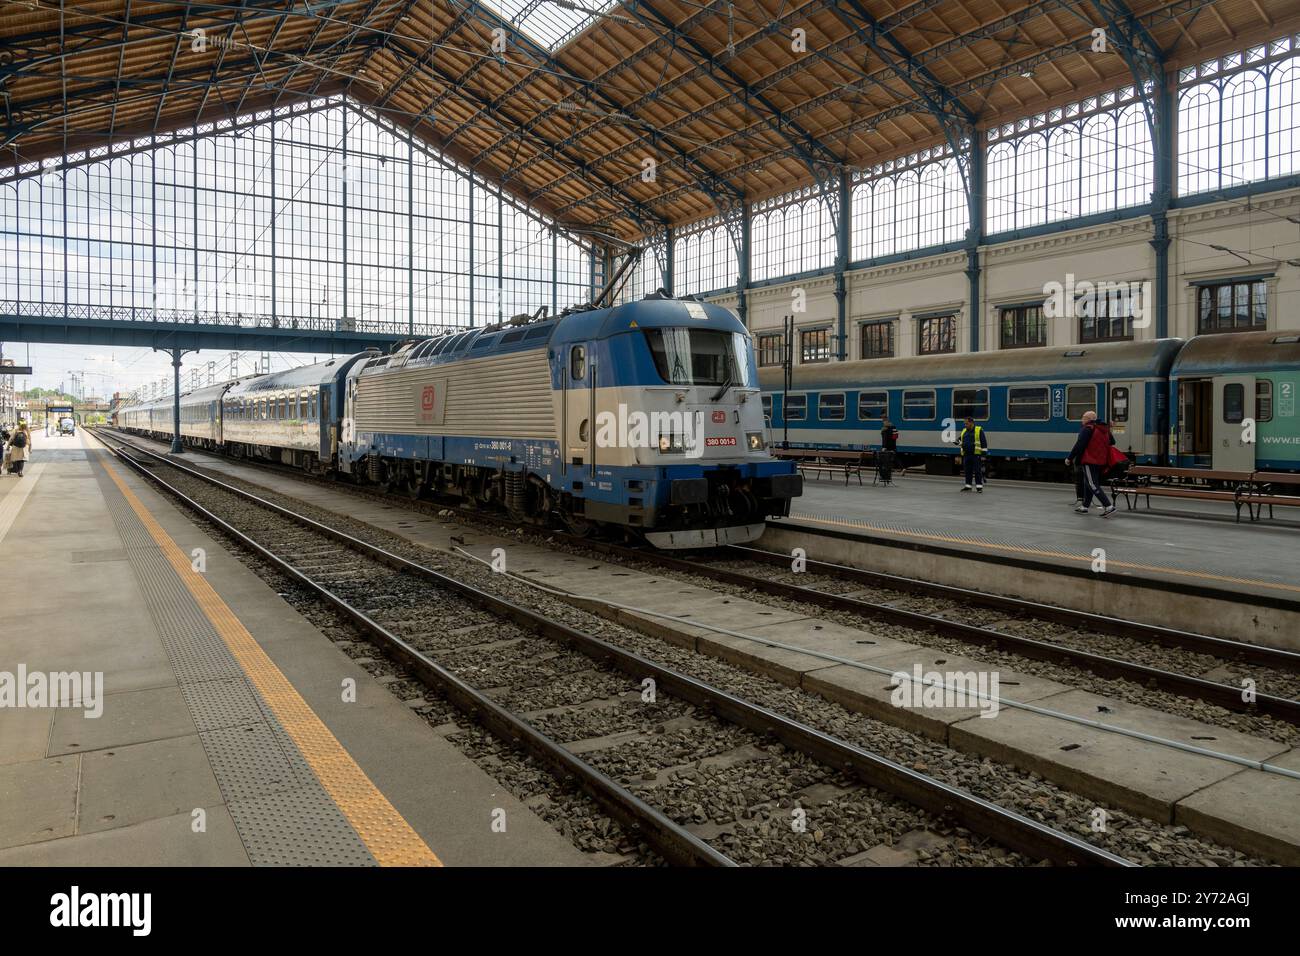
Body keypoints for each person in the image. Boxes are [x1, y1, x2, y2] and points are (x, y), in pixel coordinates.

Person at [1067, 410, 1116, 517]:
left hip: (1089, 460)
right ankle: (1085, 506)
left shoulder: (1087, 429)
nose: (1082, 420)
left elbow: (1079, 445)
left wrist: (1070, 458)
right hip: (1100, 460)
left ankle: (1108, 506)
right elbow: (1112, 442)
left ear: (1088, 419)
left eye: (1083, 417)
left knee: (1092, 484)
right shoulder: (1103, 429)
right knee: (1088, 482)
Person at [955, 416, 989, 492]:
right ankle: (968, 486)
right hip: (966, 454)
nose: (965, 425)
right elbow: (959, 440)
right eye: (965, 424)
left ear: (971, 423)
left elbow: (984, 443)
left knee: (977, 471)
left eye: (966, 423)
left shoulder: (979, 430)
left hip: (976, 454)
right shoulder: (964, 431)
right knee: (967, 471)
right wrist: (957, 442)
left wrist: (983, 455)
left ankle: (979, 487)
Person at [879, 417, 899, 484]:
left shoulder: (885, 429)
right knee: (894, 458)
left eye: (884, 421)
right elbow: (896, 436)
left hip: (887, 448)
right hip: (893, 445)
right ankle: (902, 468)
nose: (883, 423)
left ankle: (884, 476)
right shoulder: (894, 427)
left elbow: (884, 439)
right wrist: (893, 442)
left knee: (884, 462)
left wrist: (884, 447)